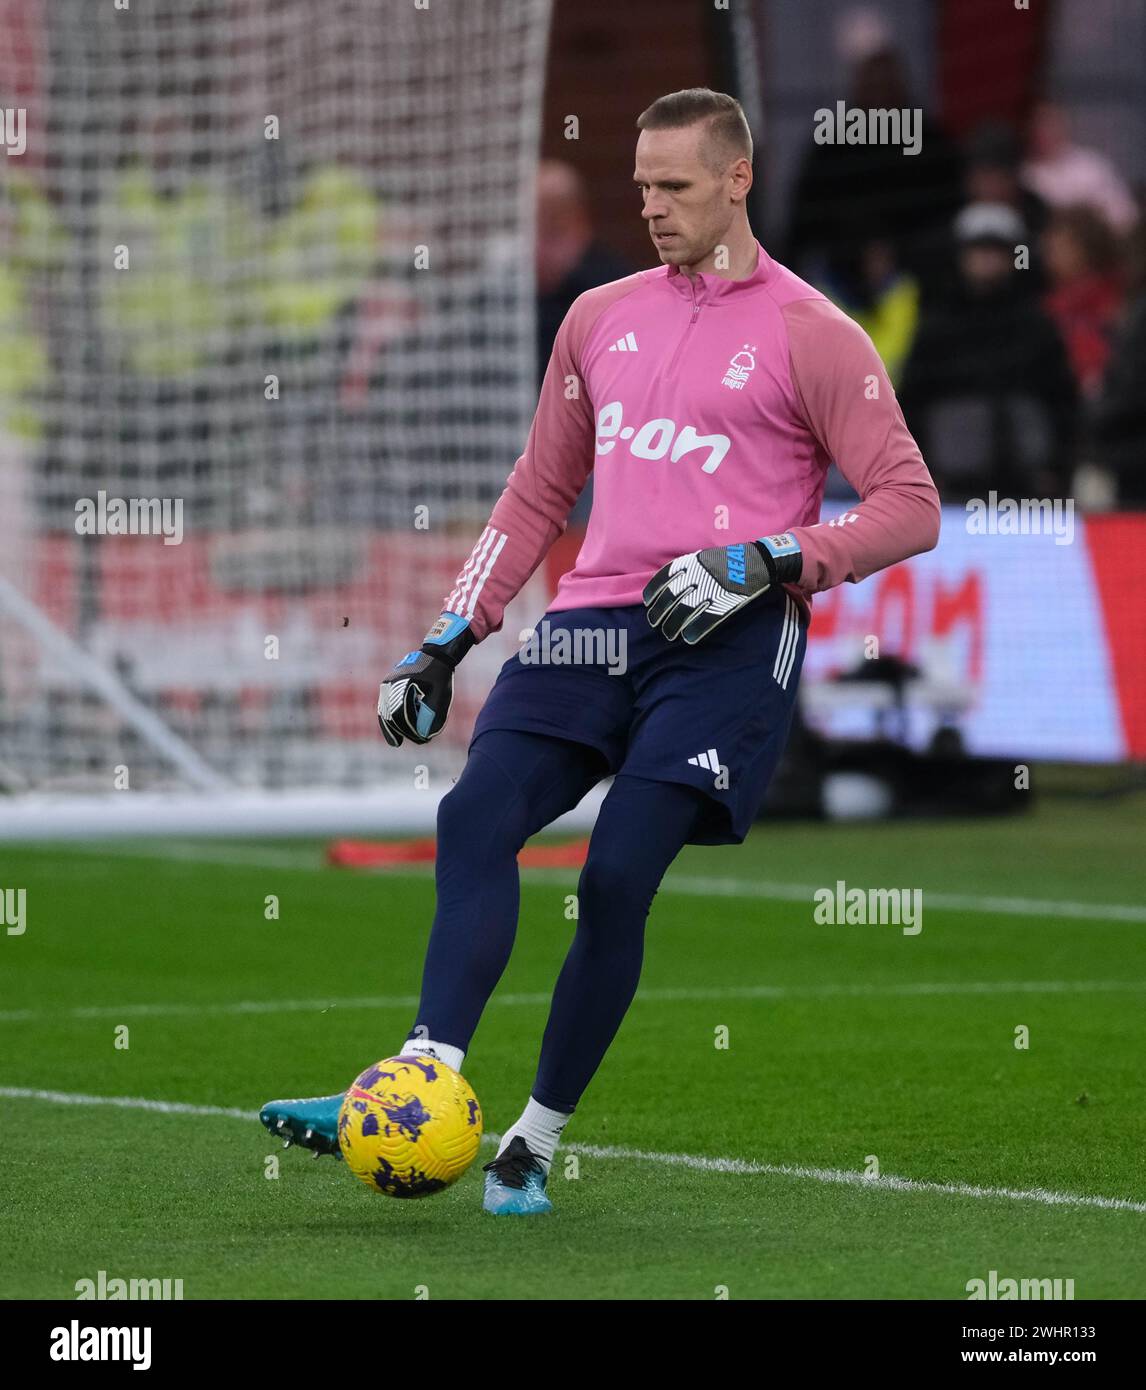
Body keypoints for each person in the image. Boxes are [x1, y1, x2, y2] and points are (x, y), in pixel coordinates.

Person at [261, 88, 940, 1215]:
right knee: (473, 817)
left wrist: (764, 560)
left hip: (725, 638)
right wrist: (446, 641)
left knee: (619, 873)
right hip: (591, 623)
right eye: (640, 186)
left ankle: (532, 1138)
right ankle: (421, 1076)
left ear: (737, 180)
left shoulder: (816, 333)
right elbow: (538, 489)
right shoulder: (598, 317)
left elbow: (909, 506)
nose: (654, 206)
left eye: (675, 185)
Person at [898, 202, 1078, 502]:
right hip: (950, 489)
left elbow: (1063, 402)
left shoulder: (1036, 326)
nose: (986, 260)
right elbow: (911, 405)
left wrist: (1058, 470)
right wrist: (921, 474)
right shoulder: (936, 328)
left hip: (1029, 489)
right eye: (978, 250)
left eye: (996, 251)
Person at [1041, 204, 1125, 398]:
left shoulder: (1119, 295)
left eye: (1060, 248)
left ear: (1088, 247)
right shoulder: (1050, 305)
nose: (1050, 257)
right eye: (1049, 249)